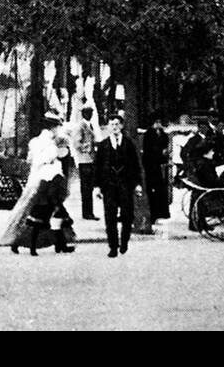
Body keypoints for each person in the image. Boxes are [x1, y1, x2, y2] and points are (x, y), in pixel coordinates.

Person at [4, 112, 75, 255]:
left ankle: (59, 243)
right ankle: (25, 242)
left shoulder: (38, 141)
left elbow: (31, 159)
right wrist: (56, 153)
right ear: (52, 128)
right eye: (56, 127)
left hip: (43, 179)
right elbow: (43, 159)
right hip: (46, 181)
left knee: (52, 213)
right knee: (44, 213)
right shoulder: (48, 143)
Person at [95, 115, 143, 258]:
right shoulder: (103, 145)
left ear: (121, 126)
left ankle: (124, 242)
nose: (114, 127)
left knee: (127, 216)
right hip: (109, 185)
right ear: (108, 127)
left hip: (126, 184)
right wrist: (97, 186)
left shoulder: (129, 143)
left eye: (117, 124)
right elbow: (97, 167)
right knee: (110, 216)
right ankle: (113, 246)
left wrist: (137, 184)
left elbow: (136, 165)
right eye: (112, 124)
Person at [141, 114, 172, 221]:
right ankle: (153, 212)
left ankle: (161, 212)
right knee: (152, 189)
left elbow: (166, 144)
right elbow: (148, 150)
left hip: (159, 164)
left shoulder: (163, 134)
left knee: (160, 189)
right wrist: (160, 152)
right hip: (151, 165)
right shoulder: (148, 134)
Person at [70, 106, 98, 220]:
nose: (89, 115)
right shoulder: (80, 126)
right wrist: (86, 148)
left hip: (89, 160)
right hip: (84, 160)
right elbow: (76, 143)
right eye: (87, 113)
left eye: (91, 112)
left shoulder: (89, 125)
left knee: (89, 187)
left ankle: (89, 211)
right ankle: (87, 212)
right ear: (83, 114)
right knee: (86, 187)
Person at [181, 118, 220, 187]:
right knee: (202, 165)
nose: (203, 129)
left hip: (213, 160)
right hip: (197, 162)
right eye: (201, 127)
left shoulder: (213, 138)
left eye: (205, 127)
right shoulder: (193, 139)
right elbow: (185, 152)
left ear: (208, 128)